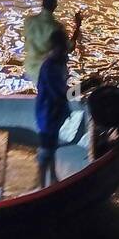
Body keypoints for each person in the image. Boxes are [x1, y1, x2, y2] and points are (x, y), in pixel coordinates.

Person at [35, 27, 72, 187]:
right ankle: (41, 184)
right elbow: (63, 93)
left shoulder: (59, 61)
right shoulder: (49, 68)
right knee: (46, 149)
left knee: (52, 146)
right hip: (48, 112)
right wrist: (85, 86)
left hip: (56, 111)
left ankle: (53, 177)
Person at [22, 0, 83, 82]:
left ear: (42, 4)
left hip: (30, 68)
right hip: (47, 71)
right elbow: (69, 47)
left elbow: (27, 40)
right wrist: (78, 25)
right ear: (55, 6)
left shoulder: (29, 21)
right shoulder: (56, 27)